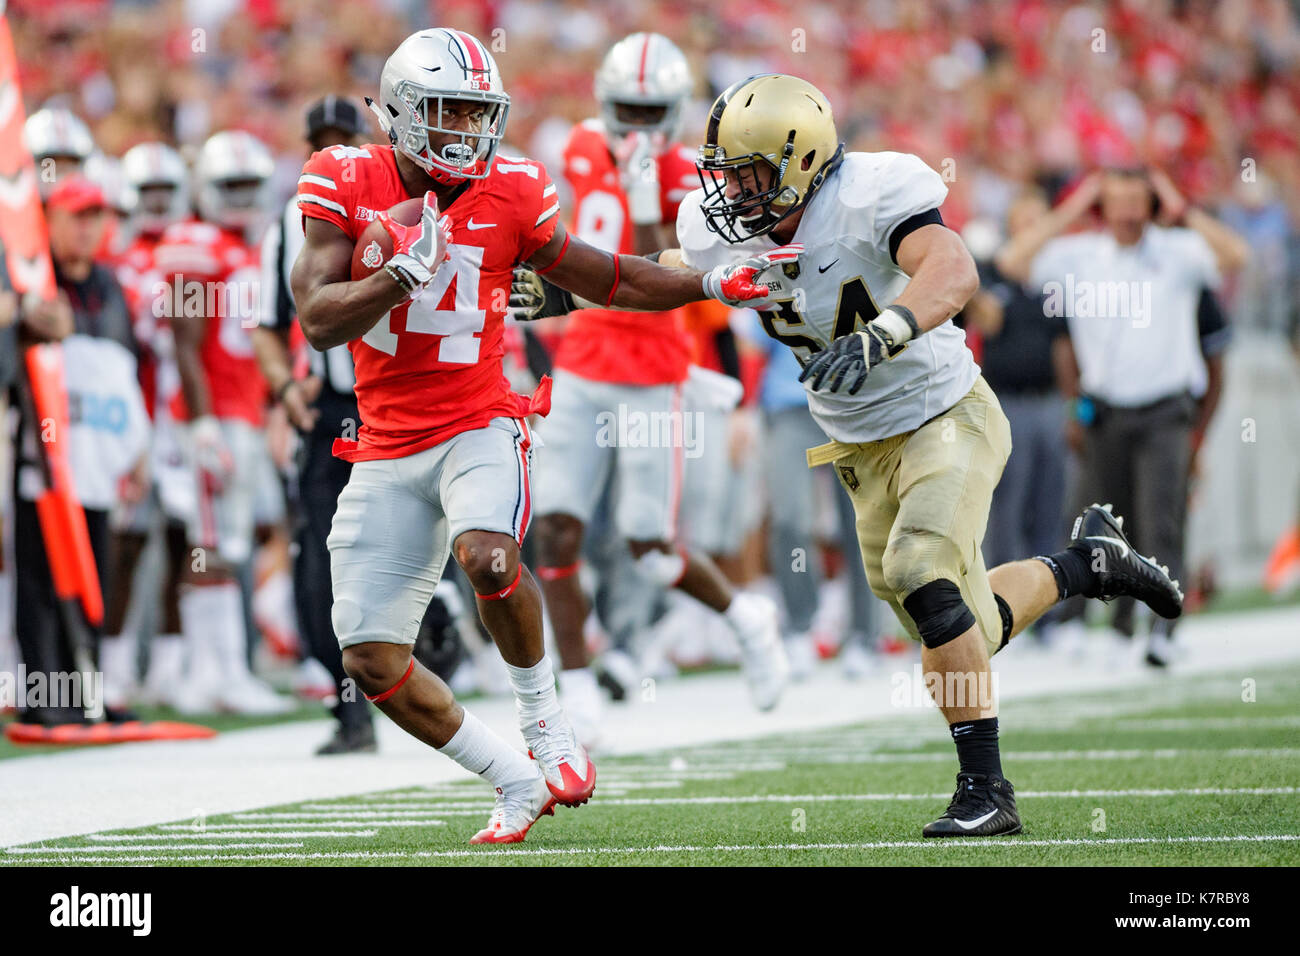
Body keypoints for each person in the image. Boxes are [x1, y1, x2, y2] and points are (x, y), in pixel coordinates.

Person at [289, 28, 789, 845]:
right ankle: (513, 778)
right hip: (383, 440)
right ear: (405, 113)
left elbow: (610, 276)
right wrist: (395, 275)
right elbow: (315, 321)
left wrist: (709, 284)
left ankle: (548, 723)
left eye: (477, 114)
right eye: (448, 114)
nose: (465, 133)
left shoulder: (513, 186)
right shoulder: (344, 176)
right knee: (370, 662)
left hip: (480, 416)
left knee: (489, 554)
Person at [669, 73, 1185, 837]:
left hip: (946, 413)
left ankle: (987, 793)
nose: (734, 194)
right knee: (957, 622)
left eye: (750, 176)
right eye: (728, 176)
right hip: (860, 444)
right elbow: (674, 271)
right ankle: (1088, 565)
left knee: (920, 571)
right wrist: (567, 292)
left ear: (802, 160)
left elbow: (952, 266)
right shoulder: (726, 229)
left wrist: (887, 330)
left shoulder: (871, 190)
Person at [529, 32, 788, 743]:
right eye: (627, 110)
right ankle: (576, 684)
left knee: (649, 544)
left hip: (651, 375)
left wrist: (645, 195)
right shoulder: (580, 147)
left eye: (652, 112)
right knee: (554, 523)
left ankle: (745, 617)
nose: (638, 126)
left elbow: (651, 275)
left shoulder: (690, 176)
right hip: (583, 362)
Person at [997, 168, 1245, 667]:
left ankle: (1164, 627)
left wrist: (1181, 208)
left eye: (1137, 200)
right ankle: (1095, 623)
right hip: (1105, 410)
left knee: (1162, 521)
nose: (1128, 212)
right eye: (1117, 201)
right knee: (1095, 520)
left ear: (1152, 204)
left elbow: (1235, 257)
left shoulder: (1176, 251)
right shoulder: (1080, 254)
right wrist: (1073, 206)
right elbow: (1012, 260)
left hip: (1165, 407)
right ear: (1102, 207)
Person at [252, 95, 380, 753]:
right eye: (320, 141)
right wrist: (282, 388)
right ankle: (349, 706)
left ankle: (442, 675)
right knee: (318, 570)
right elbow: (268, 327)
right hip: (330, 412)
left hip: (400, 404)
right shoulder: (284, 224)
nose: (333, 152)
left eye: (344, 140)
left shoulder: (400, 209)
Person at [156, 130, 291, 715]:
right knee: (209, 545)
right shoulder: (193, 243)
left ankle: (219, 670)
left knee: (228, 543)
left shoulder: (245, 245)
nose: (240, 197)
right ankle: (214, 672)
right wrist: (204, 422)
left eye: (248, 185)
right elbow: (185, 342)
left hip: (242, 412)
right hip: (210, 417)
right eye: (229, 185)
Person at [13, 176, 149, 726]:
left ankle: (87, 691)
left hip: (98, 459)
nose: (89, 227)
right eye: (77, 216)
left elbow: (125, 373)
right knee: (41, 581)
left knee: (94, 577)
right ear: (51, 220)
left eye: (96, 216)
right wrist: (26, 320)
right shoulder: (32, 281)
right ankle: (45, 694)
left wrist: (137, 451)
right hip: (43, 462)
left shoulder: (109, 285)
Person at [101, 141, 194, 710]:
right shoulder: (120, 262)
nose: (157, 203)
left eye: (165, 192)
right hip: (134, 416)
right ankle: (110, 665)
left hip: (181, 418)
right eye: (148, 193)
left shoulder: (192, 252)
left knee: (187, 541)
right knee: (125, 542)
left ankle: (168, 665)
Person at [965, 188, 1071, 637]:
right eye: (1026, 222)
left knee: (1050, 507)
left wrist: (1074, 406)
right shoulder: (992, 272)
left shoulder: (1053, 283)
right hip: (1006, 405)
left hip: (1049, 403)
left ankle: (1046, 614)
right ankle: (1001, 610)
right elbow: (985, 319)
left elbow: (1065, 348)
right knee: (1008, 509)